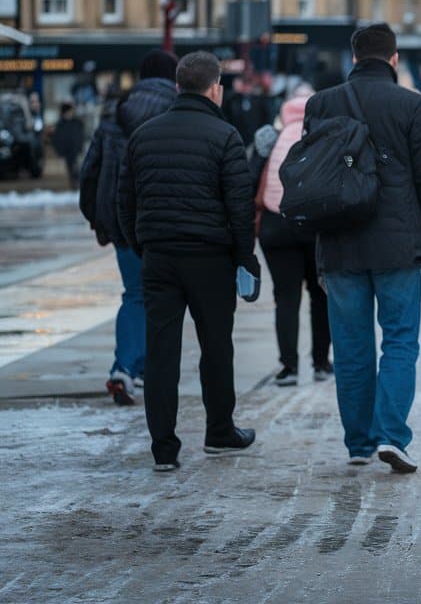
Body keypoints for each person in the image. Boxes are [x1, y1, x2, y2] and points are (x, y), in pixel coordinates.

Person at [304, 23, 421, 473]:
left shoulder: (321, 104)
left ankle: (358, 441)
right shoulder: (411, 104)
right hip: (398, 246)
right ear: (393, 59)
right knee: (400, 340)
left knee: (350, 347)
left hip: (341, 242)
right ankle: (392, 434)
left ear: (354, 58)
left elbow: (313, 177)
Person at [117, 51, 260, 471]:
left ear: (178, 86)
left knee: (161, 352)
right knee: (216, 347)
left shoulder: (144, 135)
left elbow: (125, 201)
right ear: (215, 88)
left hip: (160, 256)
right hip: (210, 258)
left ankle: (164, 446)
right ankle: (220, 430)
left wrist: (143, 244)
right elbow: (239, 207)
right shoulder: (225, 136)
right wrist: (244, 258)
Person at [79, 50, 178, 405]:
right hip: (163, 218)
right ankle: (147, 369)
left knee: (134, 294)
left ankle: (125, 368)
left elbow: (90, 169)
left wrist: (95, 215)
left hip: (119, 220)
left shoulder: (113, 112)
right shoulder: (178, 110)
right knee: (164, 299)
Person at [254, 90, 331, 387]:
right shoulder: (325, 137)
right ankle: (322, 362)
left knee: (285, 298)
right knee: (320, 295)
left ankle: (289, 367)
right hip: (316, 227)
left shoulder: (269, 139)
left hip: (276, 225)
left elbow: (250, 180)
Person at [52, 101, 85, 189]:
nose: (70, 113)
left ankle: (78, 185)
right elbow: (57, 140)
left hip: (76, 150)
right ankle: (74, 186)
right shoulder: (60, 125)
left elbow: (81, 137)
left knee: (78, 169)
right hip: (67, 152)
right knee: (71, 170)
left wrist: (81, 148)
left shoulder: (77, 123)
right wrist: (60, 153)